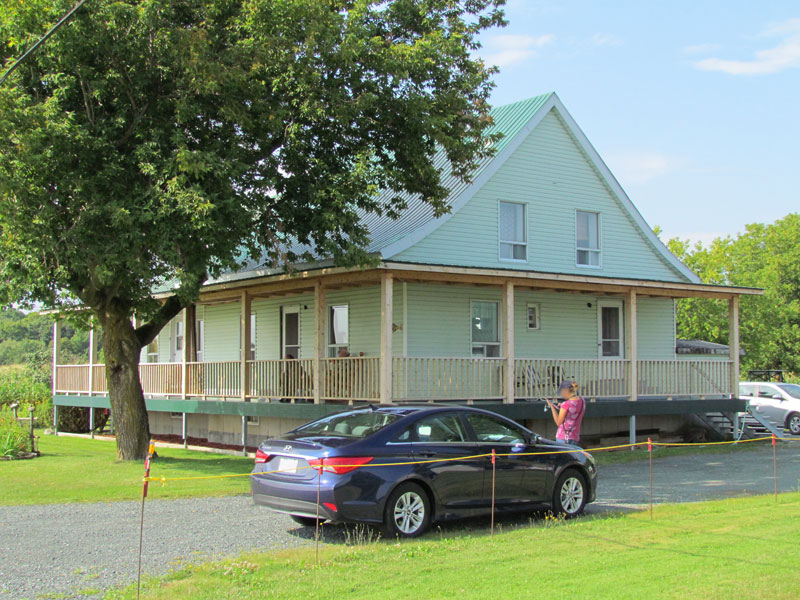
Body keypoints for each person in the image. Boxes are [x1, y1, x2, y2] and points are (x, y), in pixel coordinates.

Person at [546, 380, 586, 446]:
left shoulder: (566, 404)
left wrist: (552, 407)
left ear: (566, 390)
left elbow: (558, 422)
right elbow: (573, 412)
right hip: (575, 437)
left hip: (563, 437)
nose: (562, 394)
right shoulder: (582, 400)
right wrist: (562, 407)